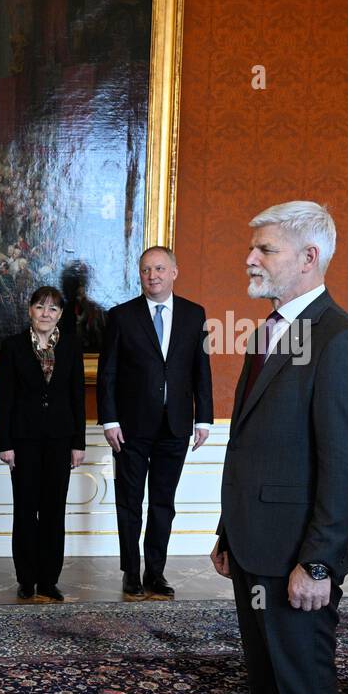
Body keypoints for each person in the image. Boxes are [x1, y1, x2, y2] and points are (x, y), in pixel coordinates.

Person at [200, 202, 348, 694]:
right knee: (265, 679)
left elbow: (345, 468)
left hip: (299, 559)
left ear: (308, 257)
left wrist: (322, 561)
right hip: (253, 546)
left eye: (265, 249)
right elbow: (252, 444)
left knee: (303, 683)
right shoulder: (271, 330)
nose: (250, 258)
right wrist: (228, 530)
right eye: (254, 247)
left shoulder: (343, 340)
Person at [97, 246, 213, 601]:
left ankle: (155, 573)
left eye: (160, 269)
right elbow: (108, 374)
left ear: (174, 271)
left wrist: (204, 418)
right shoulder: (121, 316)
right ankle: (131, 571)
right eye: (146, 270)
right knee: (129, 501)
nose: (153, 276)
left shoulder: (195, 315)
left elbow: (200, 371)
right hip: (130, 427)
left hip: (176, 426)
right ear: (140, 274)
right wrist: (109, 420)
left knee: (164, 502)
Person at [0, 286, 86, 601]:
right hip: (23, 441)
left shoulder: (72, 346)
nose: (46, 314)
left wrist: (79, 443)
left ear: (60, 315)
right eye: (40, 307)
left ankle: (48, 580)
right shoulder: (13, 346)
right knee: (25, 510)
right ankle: (26, 579)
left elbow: (78, 397)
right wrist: (4, 442)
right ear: (30, 310)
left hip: (61, 440)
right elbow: (3, 398)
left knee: (53, 511)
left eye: (53, 309)